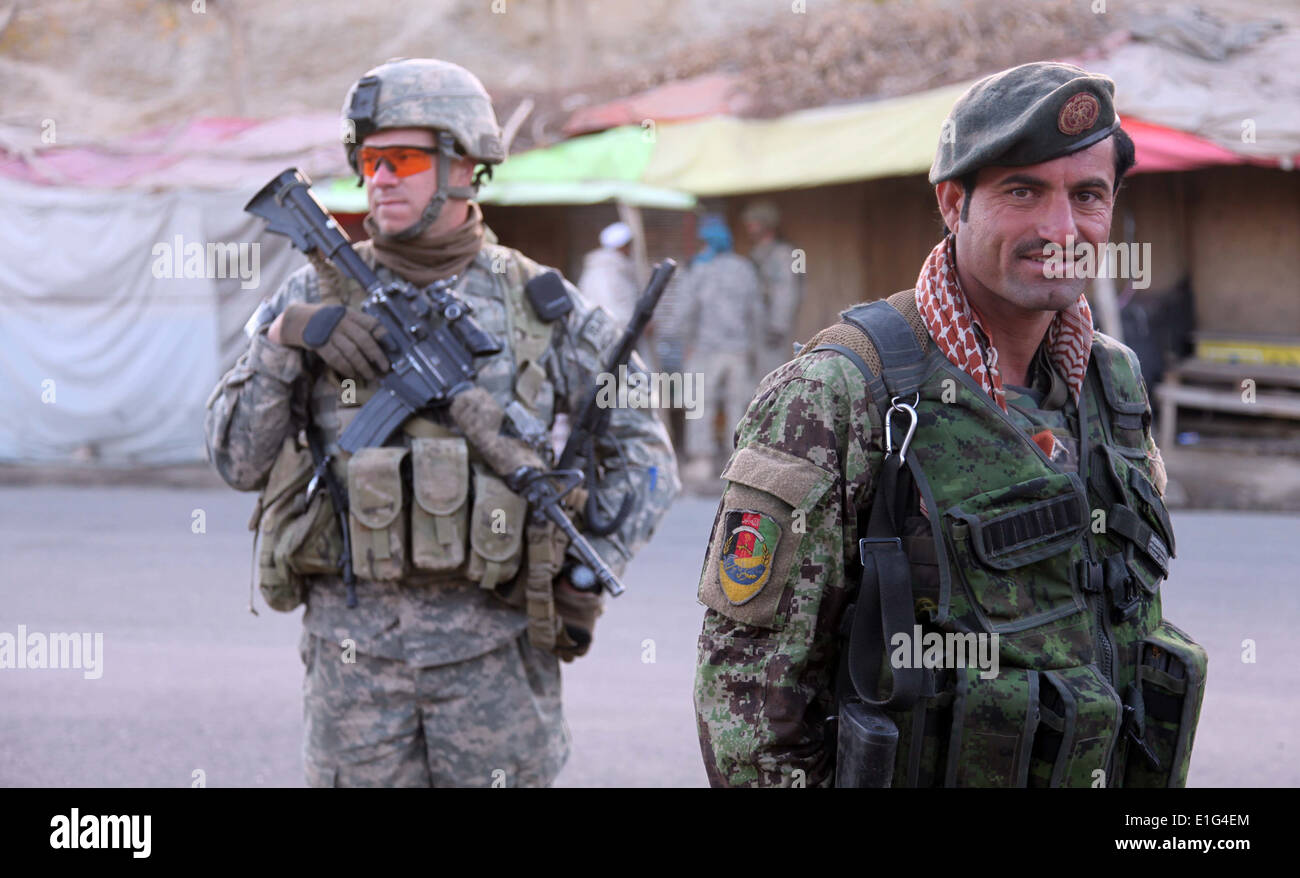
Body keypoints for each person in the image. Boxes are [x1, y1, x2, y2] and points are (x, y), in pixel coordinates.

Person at [693, 62, 1206, 788]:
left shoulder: (1112, 381)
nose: (1061, 228)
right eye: (1022, 190)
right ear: (952, 201)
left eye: (1087, 194)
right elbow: (746, 708)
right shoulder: (842, 393)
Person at [204, 58, 678, 788]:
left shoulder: (540, 305)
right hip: (353, 668)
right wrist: (283, 339)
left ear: (464, 167)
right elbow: (236, 461)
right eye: (368, 160)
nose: (380, 178)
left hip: (497, 663)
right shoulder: (306, 293)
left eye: (402, 159)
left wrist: (583, 567)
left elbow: (649, 460)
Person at [671, 214, 764, 489]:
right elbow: (756, 311)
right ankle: (737, 458)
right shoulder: (744, 268)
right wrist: (753, 348)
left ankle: (701, 461)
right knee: (738, 403)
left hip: (705, 348)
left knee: (701, 403)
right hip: (738, 349)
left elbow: (685, 310)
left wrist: (681, 339)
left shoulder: (699, 269)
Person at [742, 200, 804, 381]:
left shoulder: (784, 253)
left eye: (753, 223)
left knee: (772, 377)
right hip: (755, 325)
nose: (749, 228)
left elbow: (788, 290)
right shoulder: (758, 252)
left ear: (766, 223)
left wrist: (778, 325)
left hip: (772, 328)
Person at [577, 221, 640, 328]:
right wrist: (636, 324)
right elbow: (609, 311)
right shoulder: (604, 271)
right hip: (612, 336)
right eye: (628, 245)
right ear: (621, 246)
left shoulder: (617, 268)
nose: (630, 250)